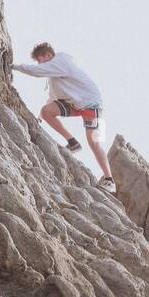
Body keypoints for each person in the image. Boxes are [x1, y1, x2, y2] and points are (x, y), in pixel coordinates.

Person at [12, 43, 116, 192]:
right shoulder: (54, 76)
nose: (40, 65)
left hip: (92, 105)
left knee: (94, 143)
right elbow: (53, 98)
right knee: (47, 111)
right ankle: (73, 142)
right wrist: (40, 118)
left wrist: (14, 66)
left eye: (40, 60)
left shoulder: (61, 62)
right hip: (74, 104)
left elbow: (36, 72)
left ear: (48, 55)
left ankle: (109, 179)